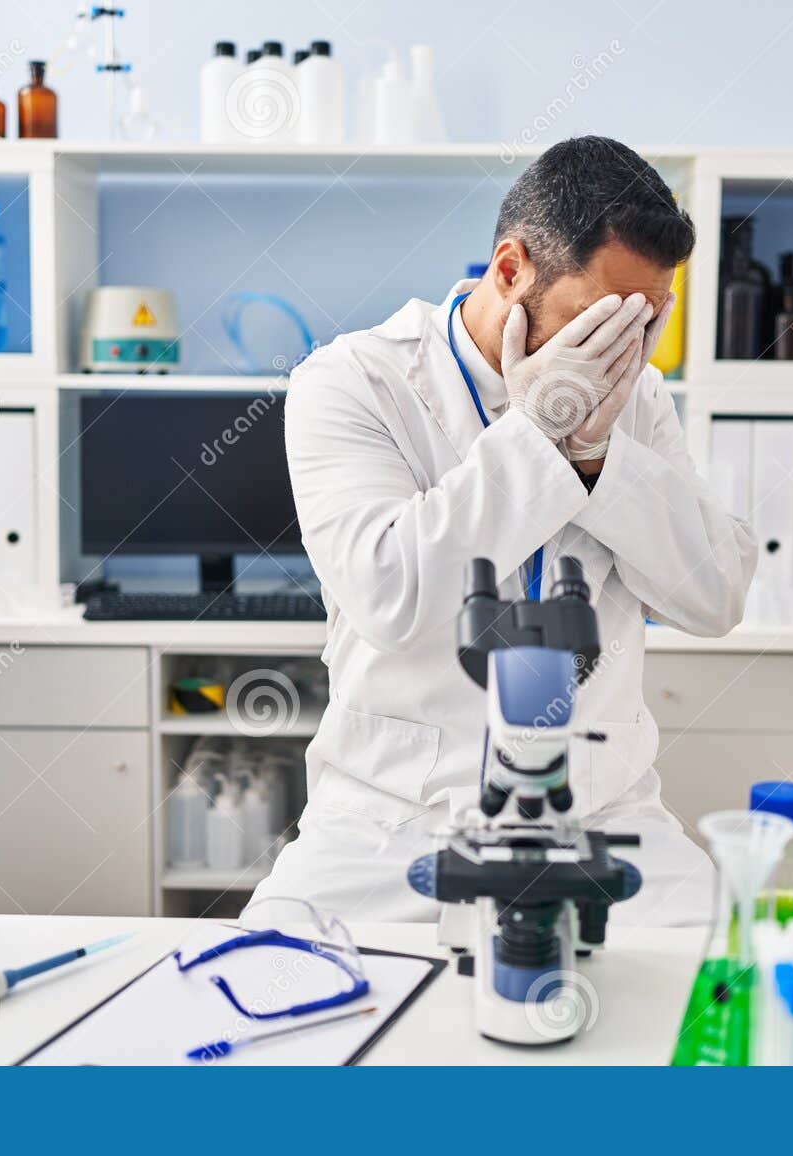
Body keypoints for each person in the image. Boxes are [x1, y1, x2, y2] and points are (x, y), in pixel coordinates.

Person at [246, 136, 757, 925]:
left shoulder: (637, 397)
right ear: (511, 269)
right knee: (276, 1005)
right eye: (598, 320)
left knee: (728, 1010)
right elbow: (391, 592)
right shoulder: (353, 382)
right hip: (393, 823)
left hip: (607, 821)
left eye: (644, 323)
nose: (622, 351)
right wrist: (535, 435)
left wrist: (597, 457)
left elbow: (716, 596)